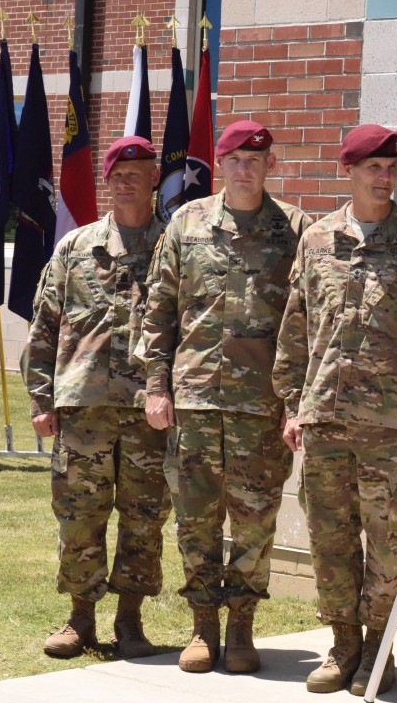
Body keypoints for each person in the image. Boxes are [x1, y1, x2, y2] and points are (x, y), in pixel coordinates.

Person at [273, 124, 397, 696]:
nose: (384, 178)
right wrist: (292, 406)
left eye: (391, 169)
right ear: (349, 171)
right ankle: (342, 647)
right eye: (373, 168)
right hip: (325, 419)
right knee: (330, 541)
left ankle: (379, 649)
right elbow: (295, 329)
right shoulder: (316, 241)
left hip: (394, 426)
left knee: (389, 543)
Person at [134, 120, 310, 673]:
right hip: (195, 402)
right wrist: (156, 387)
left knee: (255, 520)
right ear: (220, 163)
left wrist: (295, 403)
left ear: (270, 165)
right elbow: (159, 311)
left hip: (262, 405)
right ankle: (203, 625)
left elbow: (308, 322)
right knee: (195, 519)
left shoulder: (297, 229)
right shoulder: (186, 223)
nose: (244, 169)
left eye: (255, 160)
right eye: (234, 158)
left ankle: (241, 627)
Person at [21, 136, 170, 660]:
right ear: (107, 181)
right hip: (84, 407)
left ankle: (130, 620)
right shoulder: (76, 247)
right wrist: (41, 400)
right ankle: (79, 617)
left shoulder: (174, 246)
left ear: (155, 178)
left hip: (151, 411)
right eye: (118, 174)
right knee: (79, 514)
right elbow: (44, 327)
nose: (126, 181)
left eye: (137, 172)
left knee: (144, 516)